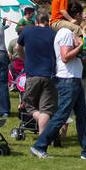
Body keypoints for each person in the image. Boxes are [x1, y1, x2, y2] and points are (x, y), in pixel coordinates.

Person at [31, 12, 86, 160]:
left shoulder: (68, 34)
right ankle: (39, 146)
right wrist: (81, 46)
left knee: (82, 117)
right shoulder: (65, 33)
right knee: (61, 116)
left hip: (73, 79)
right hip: (68, 80)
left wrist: (78, 45)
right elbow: (65, 57)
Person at [18, 10, 59, 140]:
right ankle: (43, 137)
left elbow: (18, 48)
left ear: (36, 21)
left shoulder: (27, 31)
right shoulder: (54, 34)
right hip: (49, 74)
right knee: (46, 108)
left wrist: (25, 60)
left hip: (32, 74)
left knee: (28, 104)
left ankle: (42, 135)